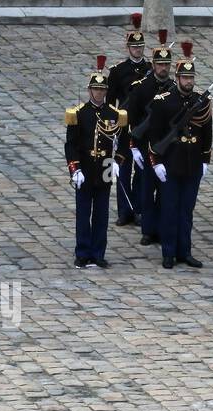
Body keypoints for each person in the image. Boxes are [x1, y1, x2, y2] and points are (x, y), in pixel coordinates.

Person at [148, 59, 212, 269]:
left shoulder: (201, 102)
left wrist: (205, 159)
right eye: (185, 77)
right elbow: (155, 135)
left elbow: (206, 133)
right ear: (176, 79)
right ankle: (168, 252)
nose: (188, 81)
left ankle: (185, 251)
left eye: (191, 77)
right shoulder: (163, 101)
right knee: (169, 210)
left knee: (186, 210)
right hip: (171, 163)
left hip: (192, 164)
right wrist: (156, 162)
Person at [65, 64, 127, 268]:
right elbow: (71, 144)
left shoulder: (114, 114)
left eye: (102, 90)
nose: (99, 93)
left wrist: (117, 162)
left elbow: (123, 142)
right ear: (89, 90)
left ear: (106, 92)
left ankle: (98, 252)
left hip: (105, 168)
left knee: (101, 214)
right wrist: (75, 169)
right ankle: (82, 252)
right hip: (85, 168)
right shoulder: (79, 113)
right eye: (95, 89)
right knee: (83, 214)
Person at [126, 43, 175, 247]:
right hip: (146, 147)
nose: (163, 68)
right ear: (153, 65)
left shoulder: (174, 87)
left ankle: (163, 228)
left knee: (165, 192)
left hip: (167, 149)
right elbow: (132, 119)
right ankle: (148, 229)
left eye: (166, 64)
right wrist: (133, 146)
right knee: (147, 191)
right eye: (160, 64)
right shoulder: (142, 89)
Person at [107, 14, 150, 227]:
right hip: (124, 125)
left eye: (141, 46)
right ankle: (125, 211)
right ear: (128, 48)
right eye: (134, 47)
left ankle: (140, 208)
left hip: (143, 126)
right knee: (123, 168)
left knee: (142, 169)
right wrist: (111, 127)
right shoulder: (118, 71)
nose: (138, 50)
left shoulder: (150, 70)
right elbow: (111, 102)